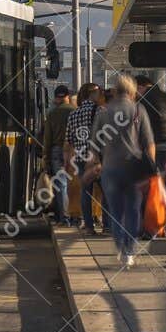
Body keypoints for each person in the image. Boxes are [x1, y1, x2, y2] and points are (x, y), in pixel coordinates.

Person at [90, 74, 155, 269]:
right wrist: (151, 168)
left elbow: (94, 145)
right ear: (132, 91)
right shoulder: (138, 110)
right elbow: (149, 143)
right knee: (133, 210)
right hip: (134, 168)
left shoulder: (103, 112)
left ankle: (119, 245)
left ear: (116, 91)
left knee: (116, 211)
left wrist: (96, 163)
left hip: (110, 169)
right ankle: (129, 252)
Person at [134, 75, 166, 241]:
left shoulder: (143, 102)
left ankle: (151, 229)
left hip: (154, 148)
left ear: (141, 87)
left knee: (150, 190)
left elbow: (143, 130)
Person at [63, 83, 102, 234]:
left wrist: (67, 161)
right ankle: (107, 226)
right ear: (92, 94)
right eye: (98, 93)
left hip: (80, 158)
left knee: (85, 192)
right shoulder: (100, 111)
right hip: (97, 158)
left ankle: (89, 227)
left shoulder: (73, 114)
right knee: (105, 191)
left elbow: (69, 140)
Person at [42, 85, 74, 225]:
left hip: (56, 151)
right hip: (74, 150)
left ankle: (63, 218)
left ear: (56, 98)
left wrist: (46, 157)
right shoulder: (75, 111)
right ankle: (76, 216)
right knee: (76, 185)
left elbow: (47, 139)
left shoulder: (52, 114)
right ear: (67, 96)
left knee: (61, 186)